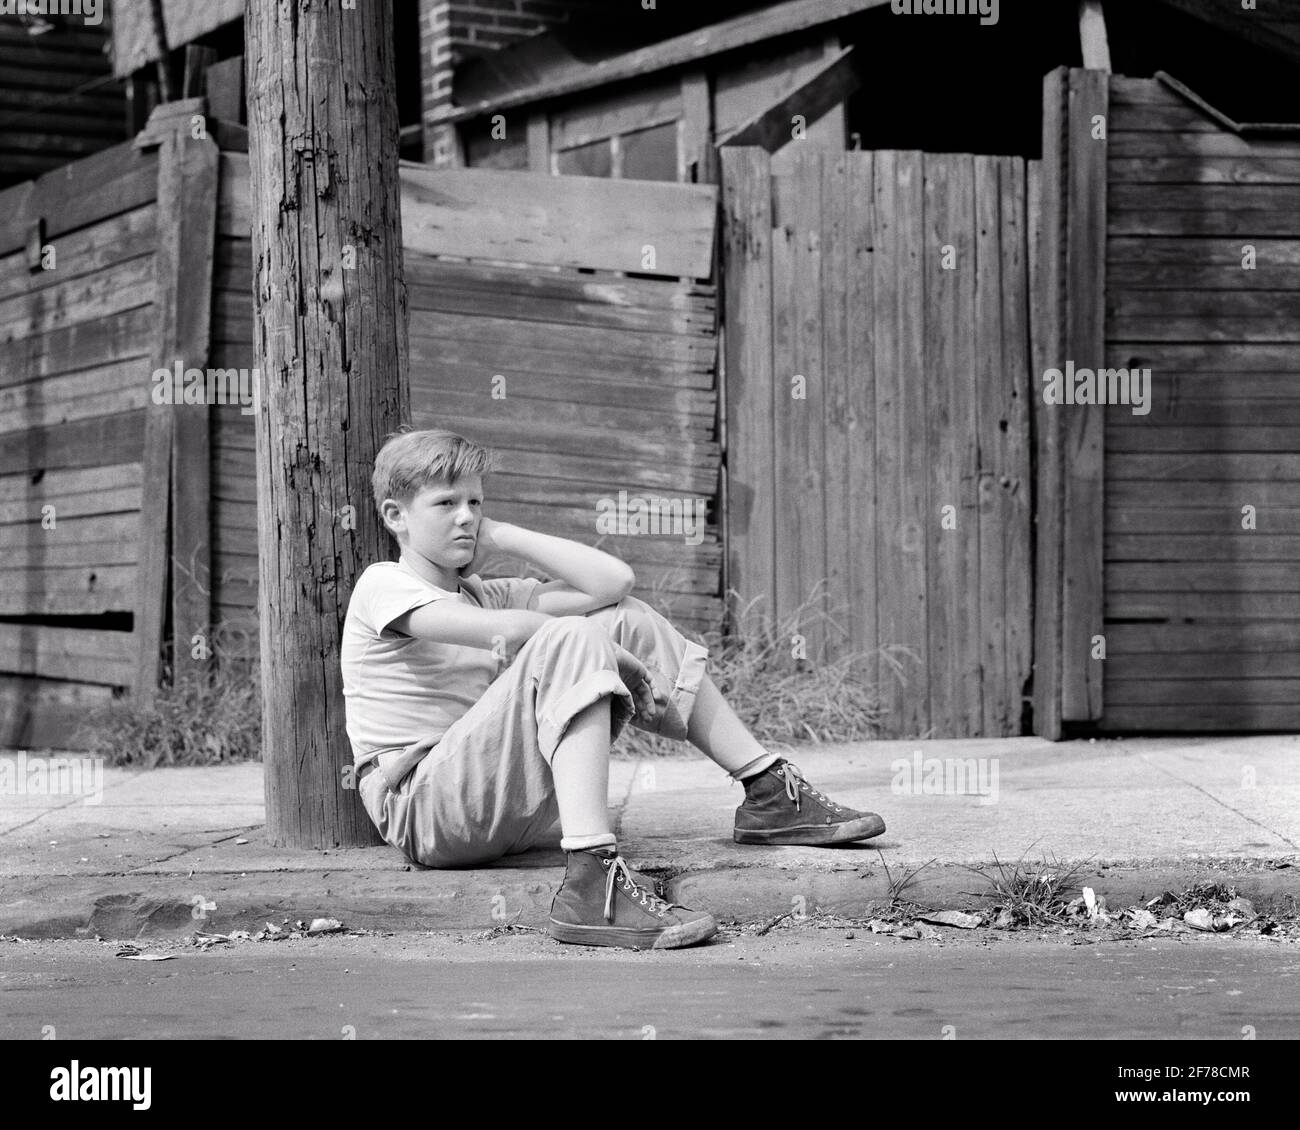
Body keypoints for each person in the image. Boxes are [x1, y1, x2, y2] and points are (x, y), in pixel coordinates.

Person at [341, 428, 886, 950]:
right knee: (575, 634)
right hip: (425, 808)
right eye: (445, 505)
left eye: (476, 503)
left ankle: (766, 787)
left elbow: (613, 582)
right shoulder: (383, 586)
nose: (466, 517)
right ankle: (591, 882)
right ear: (396, 516)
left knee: (625, 618)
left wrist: (501, 535)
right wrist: (600, 651)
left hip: (496, 804)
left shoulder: (485, 592)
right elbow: (510, 632)